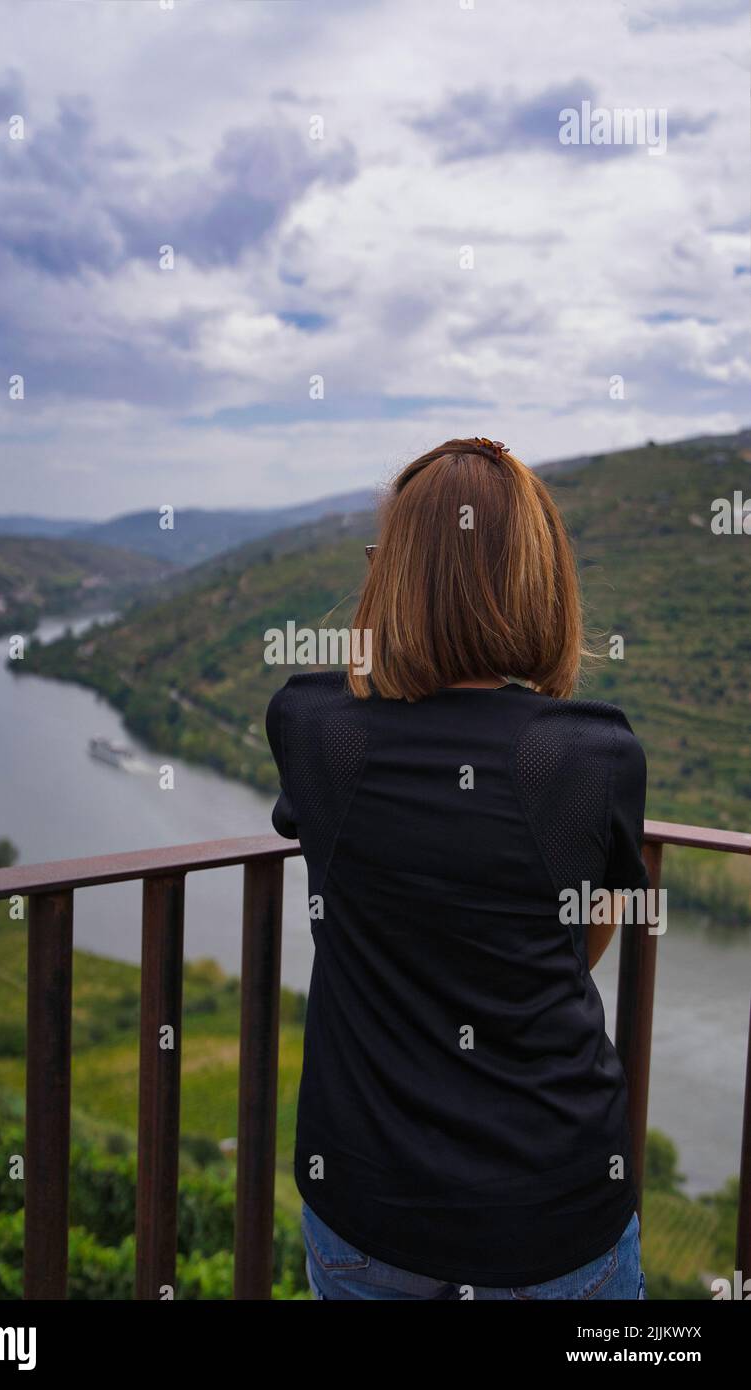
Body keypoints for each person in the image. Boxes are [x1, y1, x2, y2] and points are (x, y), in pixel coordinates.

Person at [265, 438, 649, 1300]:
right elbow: (582, 944)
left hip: (367, 1204)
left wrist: (392, 608)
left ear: (389, 576)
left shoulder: (314, 731)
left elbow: (365, 691)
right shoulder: (591, 754)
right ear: (544, 581)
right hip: (555, 1208)